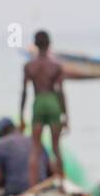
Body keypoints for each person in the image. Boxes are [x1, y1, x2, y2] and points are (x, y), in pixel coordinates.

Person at [20, 30, 67, 187]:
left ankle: (34, 188)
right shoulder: (56, 66)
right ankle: (61, 184)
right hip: (53, 102)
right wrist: (66, 116)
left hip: (38, 102)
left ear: (35, 45)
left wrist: (21, 116)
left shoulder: (29, 66)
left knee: (36, 148)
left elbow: (24, 92)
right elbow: (60, 91)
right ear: (49, 44)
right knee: (56, 147)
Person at [0, 117, 49, 195]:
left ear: (1, 132)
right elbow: (49, 168)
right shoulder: (35, 140)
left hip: (16, 192)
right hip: (42, 189)